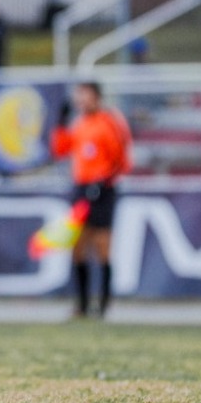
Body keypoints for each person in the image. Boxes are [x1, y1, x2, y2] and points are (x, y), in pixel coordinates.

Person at [51, 82, 132, 318]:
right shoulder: (79, 124)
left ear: (96, 97)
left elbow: (121, 158)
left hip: (103, 189)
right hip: (81, 188)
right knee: (77, 247)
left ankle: (104, 304)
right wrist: (60, 124)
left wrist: (103, 182)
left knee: (102, 246)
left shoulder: (109, 122)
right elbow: (61, 150)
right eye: (78, 96)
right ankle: (82, 304)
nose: (80, 101)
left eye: (84, 96)